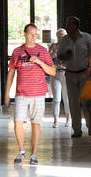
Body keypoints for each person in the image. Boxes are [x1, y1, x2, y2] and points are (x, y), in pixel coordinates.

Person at [4, 23, 56, 165]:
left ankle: (34, 154)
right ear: (25, 34)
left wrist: (39, 62)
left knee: (36, 124)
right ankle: (21, 150)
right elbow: (11, 73)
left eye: (35, 34)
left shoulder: (42, 51)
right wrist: (7, 94)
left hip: (38, 93)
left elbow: (52, 71)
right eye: (31, 34)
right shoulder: (17, 52)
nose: (34, 37)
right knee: (17, 122)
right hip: (21, 93)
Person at [57, 15, 91, 137]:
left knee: (86, 102)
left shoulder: (86, 38)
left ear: (75, 26)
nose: (67, 27)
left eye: (69, 24)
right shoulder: (64, 40)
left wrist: (90, 67)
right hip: (70, 74)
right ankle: (77, 130)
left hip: (84, 73)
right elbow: (59, 56)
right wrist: (65, 57)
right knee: (73, 103)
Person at [49, 28, 69, 126]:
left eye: (62, 36)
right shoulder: (53, 46)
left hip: (66, 73)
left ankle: (68, 119)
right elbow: (48, 59)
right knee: (56, 98)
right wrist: (54, 51)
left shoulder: (69, 46)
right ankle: (56, 120)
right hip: (55, 72)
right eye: (59, 36)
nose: (60, 38)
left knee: (67, 98)